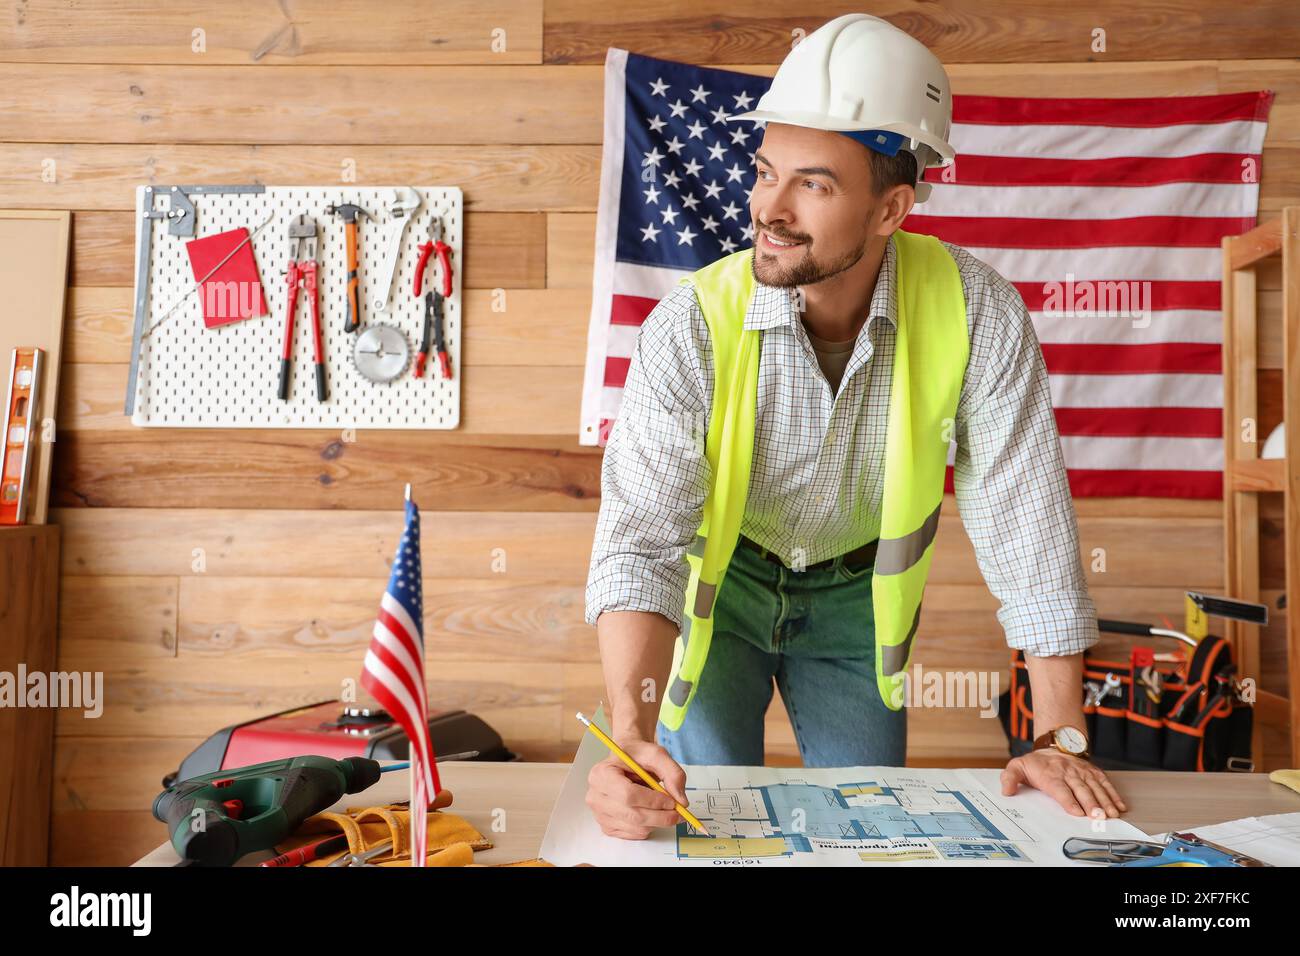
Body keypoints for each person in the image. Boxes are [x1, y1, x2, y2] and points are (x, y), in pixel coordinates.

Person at [584, 13, 1126, 841]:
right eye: (765, 172)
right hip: (717, 599)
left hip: (855, 607)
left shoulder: (977, 313)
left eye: (815, 184)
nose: (770, 207)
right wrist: (629, 734)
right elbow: (639, 542)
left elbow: (1031, 531)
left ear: (891, 210)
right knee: (693, 824)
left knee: (874, 836)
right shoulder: (689, 327)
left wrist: (1058, 736)